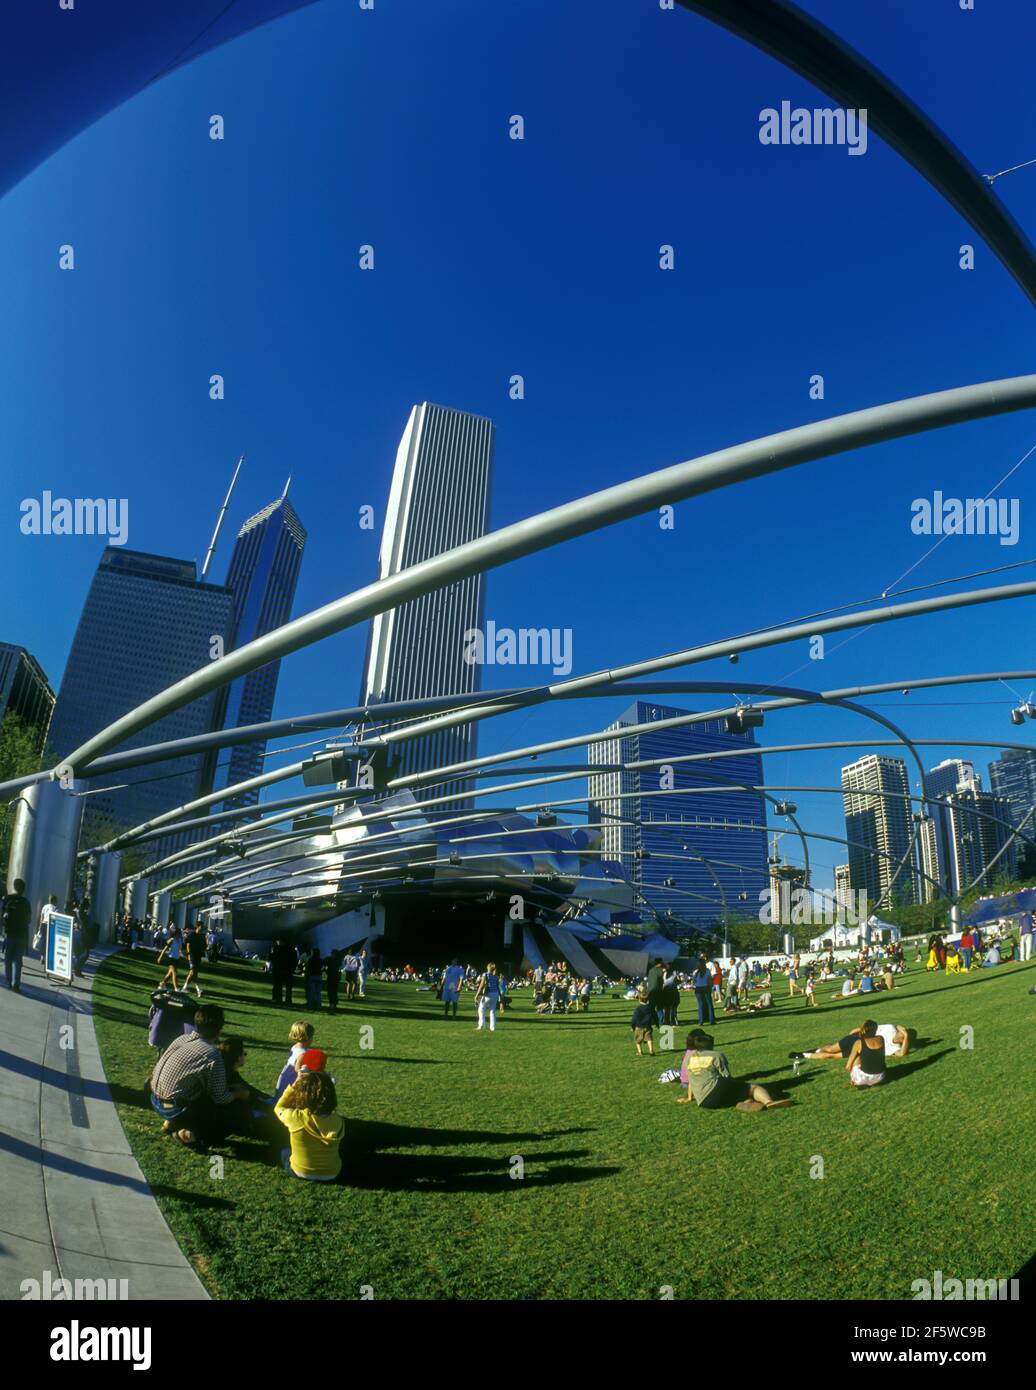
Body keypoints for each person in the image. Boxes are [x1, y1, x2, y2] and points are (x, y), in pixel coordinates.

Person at [148, 1004, 250, 1147]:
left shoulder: (181, 1039)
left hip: (154, 1098)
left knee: (194, 1089)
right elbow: (221, 1098)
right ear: (219, 1029)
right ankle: (189, 1135)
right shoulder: (211, 1054)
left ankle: (171, 1123)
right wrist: (239, 1094)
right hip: (176, 1107)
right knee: (230, 1113)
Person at [676, 1029, 791, 1112]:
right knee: (752, 1088)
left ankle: (746, 1103)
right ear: (711, 1045)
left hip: (704, 1102)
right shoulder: (716, 1055)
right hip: (716, 1090)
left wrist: (689, 1098)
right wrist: (741, 1086)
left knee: (736, 1095)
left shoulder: (690, 1058)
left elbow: (690, 1081)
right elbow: (727, 1077)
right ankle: (769, 1102)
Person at [275, 1070, 344, 1182]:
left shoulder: (296, 1117)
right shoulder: (338, 1121)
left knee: (283, 1146)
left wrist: (293, 1086)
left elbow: (278, 1108)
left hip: (301, 1172)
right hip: (333, 1173)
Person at [2, 878, 33, 992]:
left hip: (9, 933)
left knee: (8, 959)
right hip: (21, 934)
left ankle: (8, 981)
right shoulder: (26, 902)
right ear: (23, 889)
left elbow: (3, 916)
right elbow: (29, 920)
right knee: (18, 960)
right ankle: (16, 984)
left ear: (14, 887)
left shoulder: (8, 899)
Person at [846, 1019, 887, 1088]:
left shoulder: (859, 1043)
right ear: (875, 1030)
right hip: (881, 1076)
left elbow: (848, 1067)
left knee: (857, 1058)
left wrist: (852, 1075)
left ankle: (855, 1080)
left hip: (861, 1080)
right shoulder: (881, 1038)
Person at [270, 938, 298, 1006]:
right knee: (288, 988)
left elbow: (272, 958)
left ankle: (278, 999)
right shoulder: (292, 950)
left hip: (279, 970)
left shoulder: (277, 949)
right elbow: (295, 961)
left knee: (278, 986)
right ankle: (288, 1000)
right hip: (288, 970)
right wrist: (293, 969)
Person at [474, 962, 501, 1032]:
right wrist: (500, 996)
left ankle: (481, 1025)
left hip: (488, 994)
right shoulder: (496, 976)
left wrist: (476, 995)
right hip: (495, 994)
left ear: (488, 967)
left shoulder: (485, 974)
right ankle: (493, 1027)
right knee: (492, 1011)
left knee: (481, 1008)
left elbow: (481, 985)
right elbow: (497, 987)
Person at [156, 927, 183, 991]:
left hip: (176, 959)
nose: (180, 935)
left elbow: (180, 950)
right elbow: (165, 949)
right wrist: (160, 957)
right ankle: (176, 988)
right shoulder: (171, 940)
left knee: (170, 974)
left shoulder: (179, 941)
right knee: (174, 973)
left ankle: (162, 984)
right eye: (179, 933)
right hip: (171, 958)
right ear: (176, 933)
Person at [183, 923, 206, 998]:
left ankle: (185, 987)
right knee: (193, 971)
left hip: (198, 956)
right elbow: (188, 944)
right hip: (192, 955)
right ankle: (198, 989)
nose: (202, 928)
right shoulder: (192, 934)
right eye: (201, 926)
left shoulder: (202, 936)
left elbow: (204, 946)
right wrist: (188, 954)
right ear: (198, 926)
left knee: (193, 972)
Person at [630, 990, 655, 1056]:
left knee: (638, 1040)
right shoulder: (650, 1008)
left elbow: (634, 1019)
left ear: (639, 1000)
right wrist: (656, 1023)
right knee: (649, 1039)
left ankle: (640, 1052)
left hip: (639, 1027)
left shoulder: (638, 1009)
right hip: (648, 1026)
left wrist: (632, 1027)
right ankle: (651, 1050)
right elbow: (655, 1016)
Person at [691, 956, 715, 1025]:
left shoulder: (696, 972)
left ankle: (701, 1021)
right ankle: (711, 1020)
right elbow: (710, 981)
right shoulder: (707, 971)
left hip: (698, 989)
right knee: (709, 1005)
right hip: (706, 988)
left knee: (700, 1005)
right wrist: (711, 987)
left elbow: (693, 982)